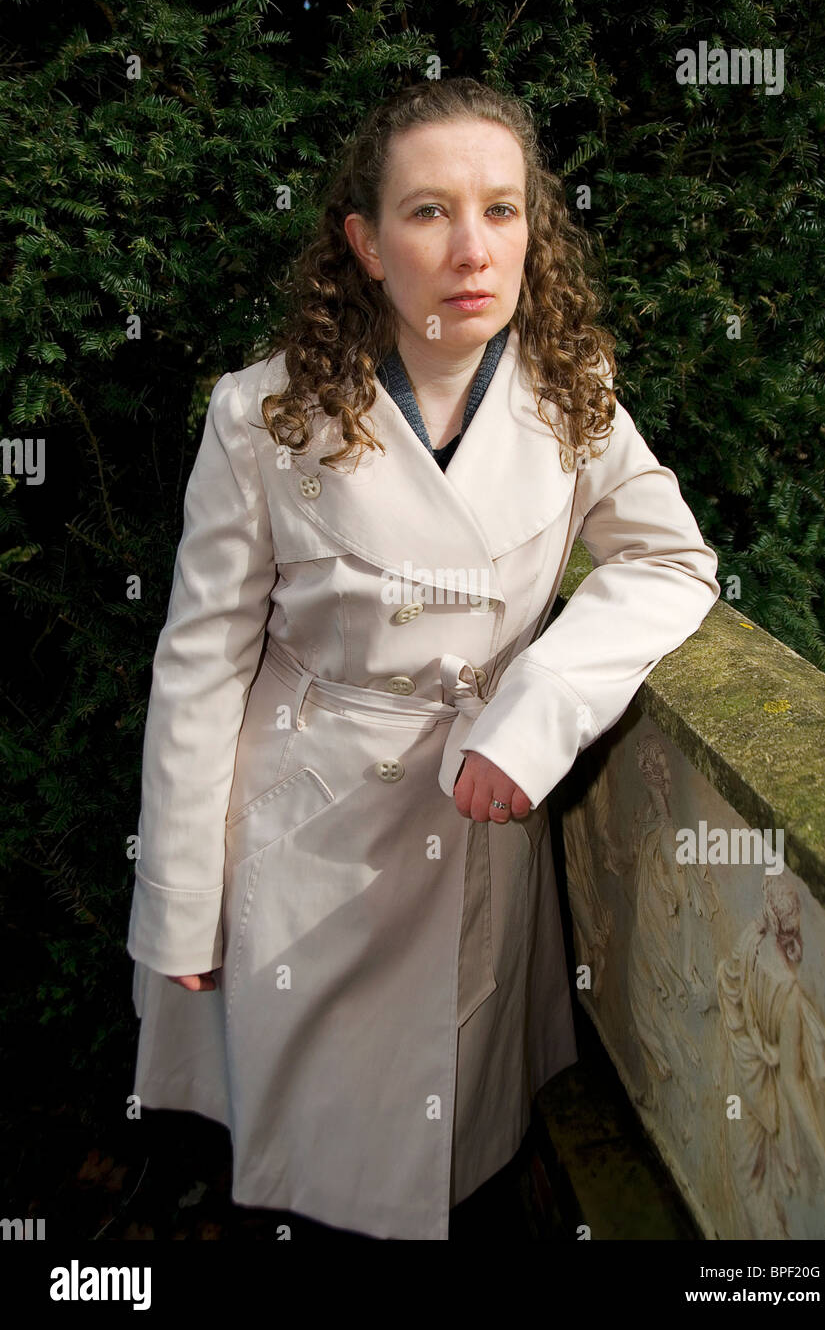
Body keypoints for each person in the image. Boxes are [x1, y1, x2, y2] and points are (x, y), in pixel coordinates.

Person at [126, 77, 721, 1241]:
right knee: (311, 1182)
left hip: (476, 830)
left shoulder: (573, 401)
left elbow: (670, 564)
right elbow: (196, 669)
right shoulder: (264, 417)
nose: (471, 249)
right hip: (303, 849)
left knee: (460, 1164)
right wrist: (180, 901)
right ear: (361, 241)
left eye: (502, 210)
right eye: (429, 212)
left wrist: (539, 707)